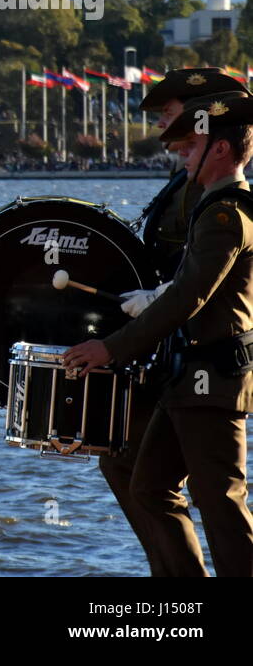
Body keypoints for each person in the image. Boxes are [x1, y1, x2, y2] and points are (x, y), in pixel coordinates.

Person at [65, 92, 253, 576]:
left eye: (191, 147)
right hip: (188, 380)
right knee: (149, 486)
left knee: (222, 507)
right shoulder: (213, 209)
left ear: (221, 150)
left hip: (214, 381)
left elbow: (187, 298)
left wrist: (110, 347)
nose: (181, 155)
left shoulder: (226, 215)